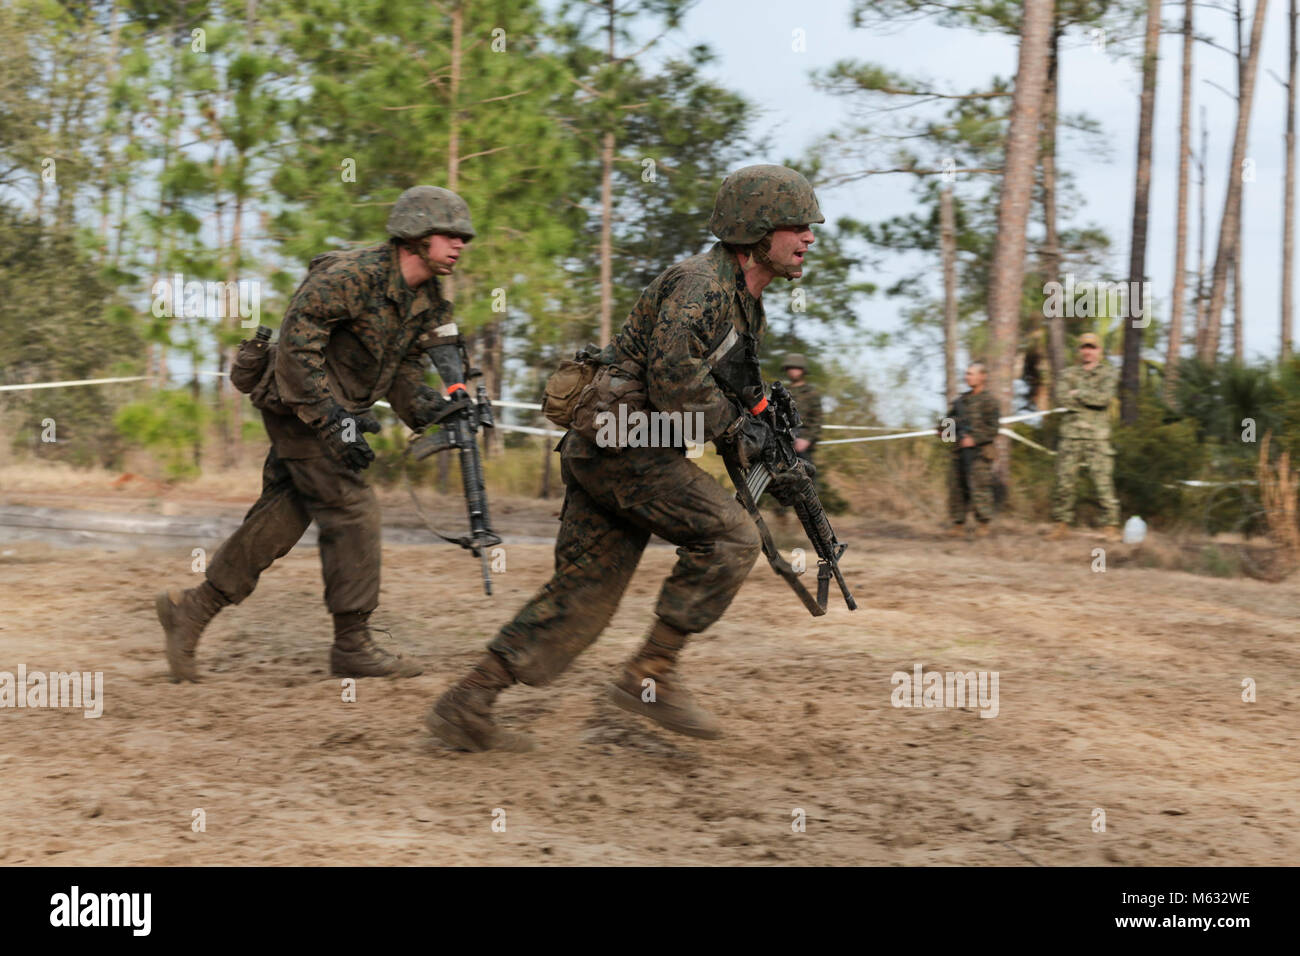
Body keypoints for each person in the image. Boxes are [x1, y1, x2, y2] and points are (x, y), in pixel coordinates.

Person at [426, 164, 823, 751]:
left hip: (613, 444)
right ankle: (652, 672)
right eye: (797, 226)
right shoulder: (701, 286)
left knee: (584, 594)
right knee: (732, 537)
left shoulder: (743, 303)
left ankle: (470, 701)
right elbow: (676, 385)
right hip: (624, 443)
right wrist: (743, 432)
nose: (810, 237)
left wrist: (774, 452)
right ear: (755, 230)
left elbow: (731, 390)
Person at [155, 186, 474, 681]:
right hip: (296, 403)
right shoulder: (354, 276)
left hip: (334, 410)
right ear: (415, 234)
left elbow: (404, 375)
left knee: (284, 516)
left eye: (463, 238)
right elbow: (296, 348)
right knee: (352, 508)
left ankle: (190, 610)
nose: (459, 245)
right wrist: (332, 419)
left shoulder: (427, 299)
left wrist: (440, 409)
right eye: (449, 235)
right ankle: (352, 645)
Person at [1049, 332, 1121, 541]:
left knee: (1103, 483)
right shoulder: (1068, 374)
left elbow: (1104, 399)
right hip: (1071, 435)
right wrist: (1085, 397)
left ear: (1099, 350)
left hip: (1097, 437)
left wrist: (1078, 393)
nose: (1088, 351)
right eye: (1084, 347)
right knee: (1064, 482)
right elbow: (1062, 399)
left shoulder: (1108, 373)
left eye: (1092, 347)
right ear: (1080, 350)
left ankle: (1111, 526)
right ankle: (1061, 524)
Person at [941, 361, 999, 537]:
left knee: (980, 488)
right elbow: (948, 423)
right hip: (959, 451)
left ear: (982, 376)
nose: (967, 377)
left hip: (980, 453)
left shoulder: (990, 401)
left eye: (971, 374)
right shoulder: (960, 401)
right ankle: (958, 524)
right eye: (966, 374)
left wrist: (974, 439)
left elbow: (993, 428)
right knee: (957, 488)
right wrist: (942, 430)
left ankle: (983, 524)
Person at [782, 354, 822, 463]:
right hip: (781, 443)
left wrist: (806, 439)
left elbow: (817, 421)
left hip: (801, 446)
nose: (793, 371)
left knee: (805, 476)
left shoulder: (811, 393)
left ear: (803, 370)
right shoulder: (782, 392)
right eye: (790, 367)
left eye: (796, 367)